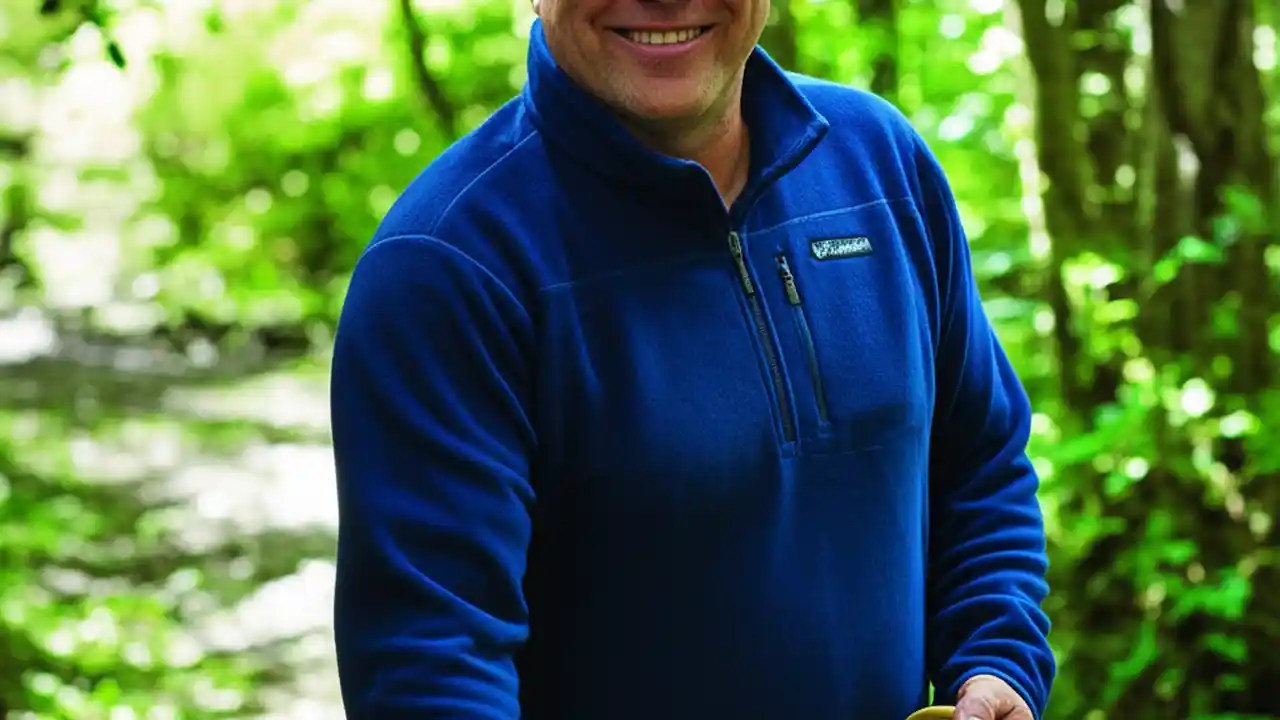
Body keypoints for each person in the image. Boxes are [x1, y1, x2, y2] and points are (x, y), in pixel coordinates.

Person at [328, 0, 1056, 718]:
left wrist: (996, 659)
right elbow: (431, 667)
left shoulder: (881, 167)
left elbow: (978, 462)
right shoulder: (445, 267)